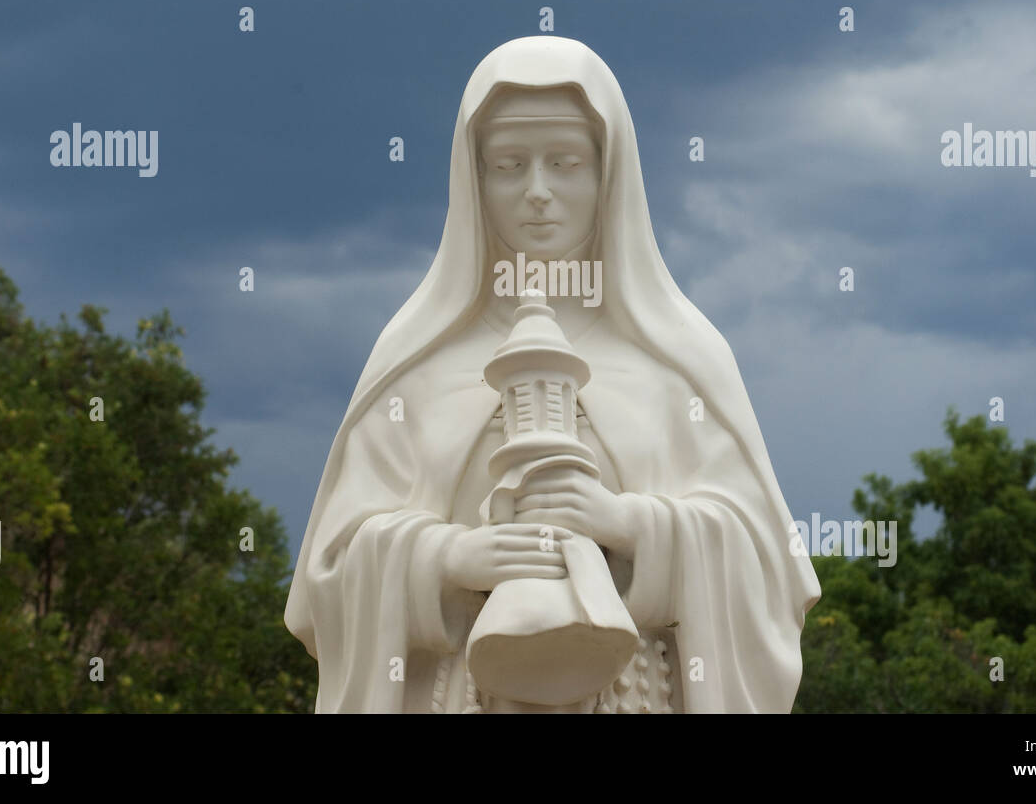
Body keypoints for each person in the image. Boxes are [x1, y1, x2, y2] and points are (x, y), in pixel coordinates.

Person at [285, 35, 821, 712]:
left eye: (564, 162)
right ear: (473, 177)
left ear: (608, 172)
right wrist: (448, 561)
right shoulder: (417, 360)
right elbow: (329, 575)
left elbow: (766, 568)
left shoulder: (680, 357)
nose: (537, 191)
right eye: (509, 164)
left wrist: (631, 524)